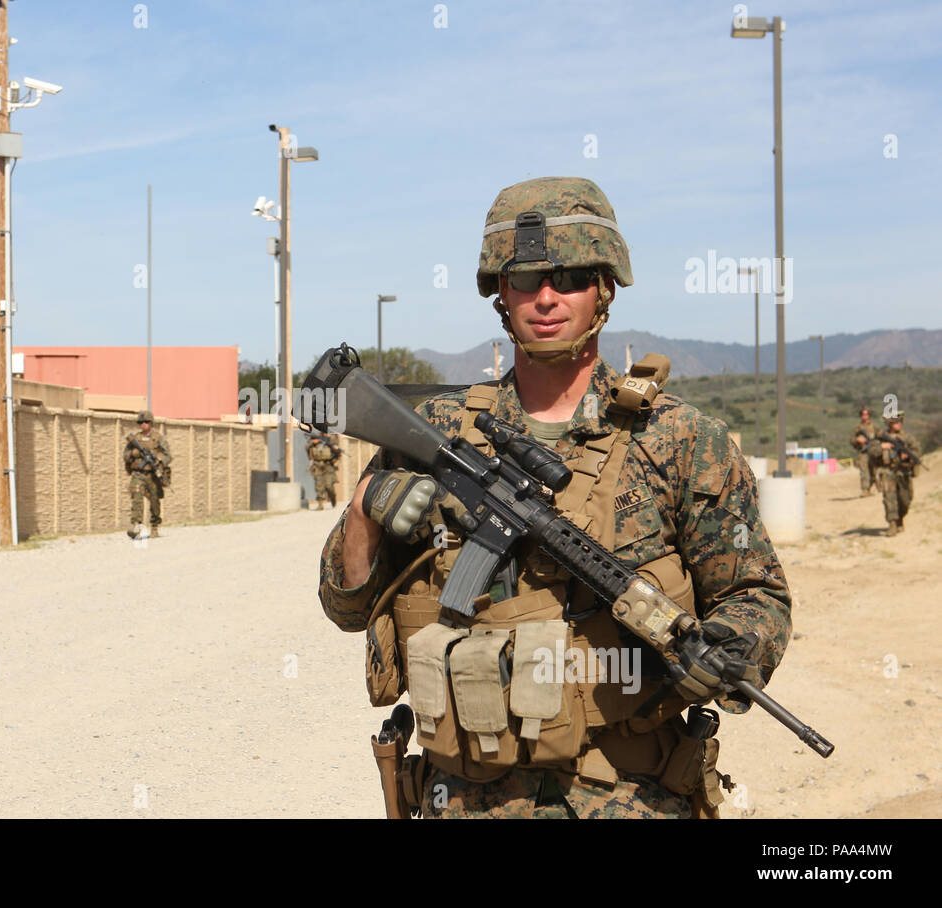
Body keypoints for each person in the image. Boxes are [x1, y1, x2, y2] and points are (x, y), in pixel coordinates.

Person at [317, 176, 793, 819]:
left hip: (630, 795)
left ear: (604, 291)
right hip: (464, 796)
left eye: (569, 278)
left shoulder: (682, 440)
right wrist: (366, 508)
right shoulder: (438, 429)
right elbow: (347, 609)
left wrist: (730, 647)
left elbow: (756, 595)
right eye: (526, 279)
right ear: (500, 297)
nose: (546, 297)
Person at [124, 410, 171, 539]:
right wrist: (133, 454)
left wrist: (159, 459)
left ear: (151, 423)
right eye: (141, 422)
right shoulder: (135, 439)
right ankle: (136, 527)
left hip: (153, 474)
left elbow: (168, 455)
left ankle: (154, 527)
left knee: (154, 501)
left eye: (146, 422)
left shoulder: (158, 438)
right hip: (138, 474)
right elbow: (125, 456)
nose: (143, 424)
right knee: (136, 499)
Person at [878, 413, 920, 537]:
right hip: (887, 471)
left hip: (903, 472)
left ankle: (900, 518)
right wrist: (882, 447)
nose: (899, 423)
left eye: (900, 421)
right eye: (897, 421)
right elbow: (871, 450)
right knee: (889, 498)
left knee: (905, 499)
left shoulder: (907, 438)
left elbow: (917, 450)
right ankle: (892, 524)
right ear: (889, 424)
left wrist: (908, 456)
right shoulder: (882, 438)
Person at [306, 431, 342, 510]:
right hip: (317, 465)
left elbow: (337, 452)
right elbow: (308, 450)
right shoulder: (313, 439)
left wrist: (332, 446)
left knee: (329, 485)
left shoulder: (330, 438)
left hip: (328, 465)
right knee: (319, 485)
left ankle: (333, 498)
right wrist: (314, 442)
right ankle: (320, 504)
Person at [849, 407, 879, 496]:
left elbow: (881, 435)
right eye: (863, 414)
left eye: (867, 414)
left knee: (873, 470)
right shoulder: (858, 428)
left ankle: (871, 486)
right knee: (864, 470)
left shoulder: (874, 426)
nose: (865, 416)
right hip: (863, 451)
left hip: (873, 450)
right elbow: (852, 439)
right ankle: (865, 489)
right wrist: (858, 440)